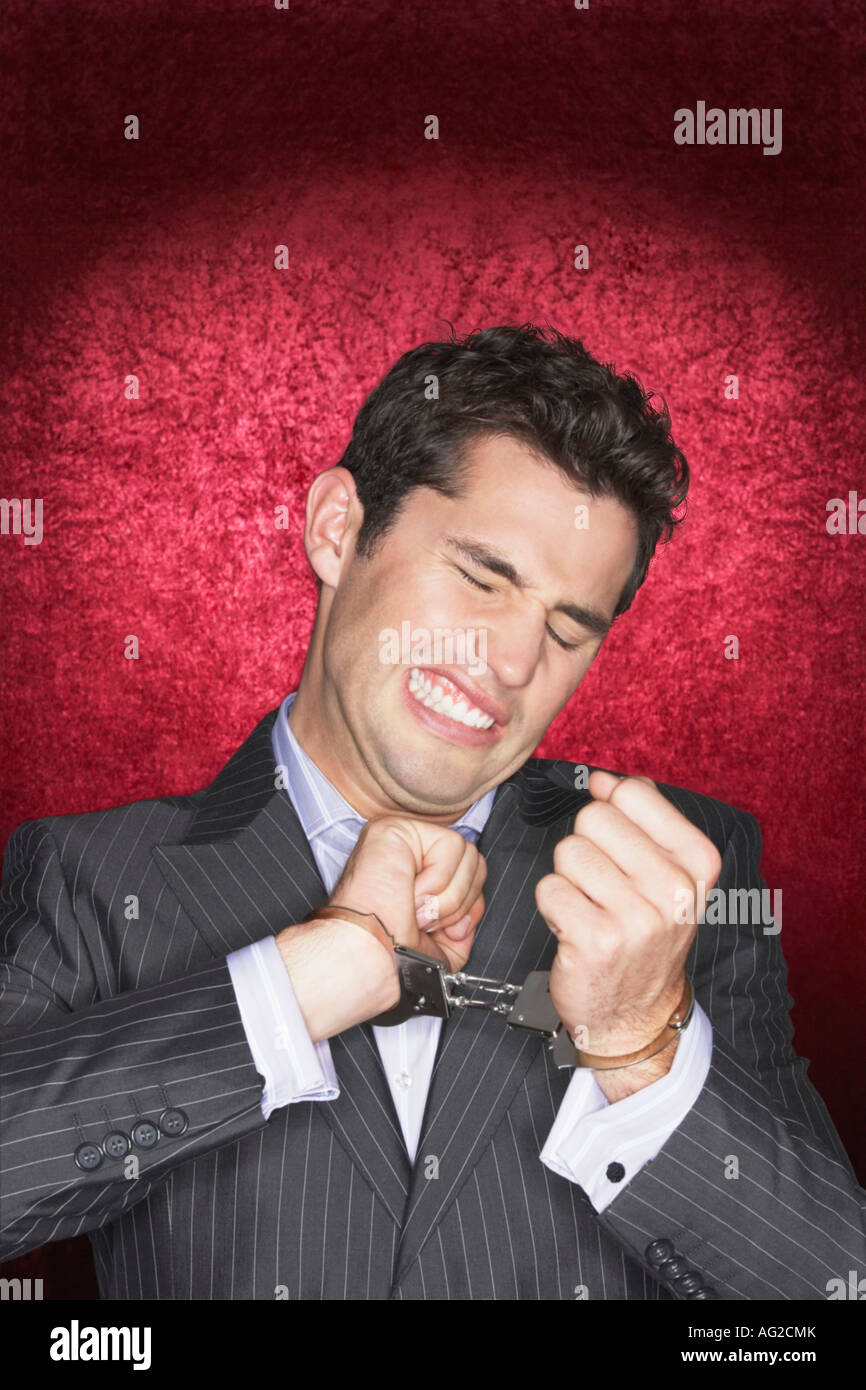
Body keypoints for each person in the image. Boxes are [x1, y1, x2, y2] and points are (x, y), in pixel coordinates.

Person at [1, 324, 864, 1301]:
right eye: (479, 577)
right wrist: (289, 989)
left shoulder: (674, 880)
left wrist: (641, 1054)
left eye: (566, 626)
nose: (510, 663)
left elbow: (829, 1290)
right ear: (336, 528)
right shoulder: (97, 874)